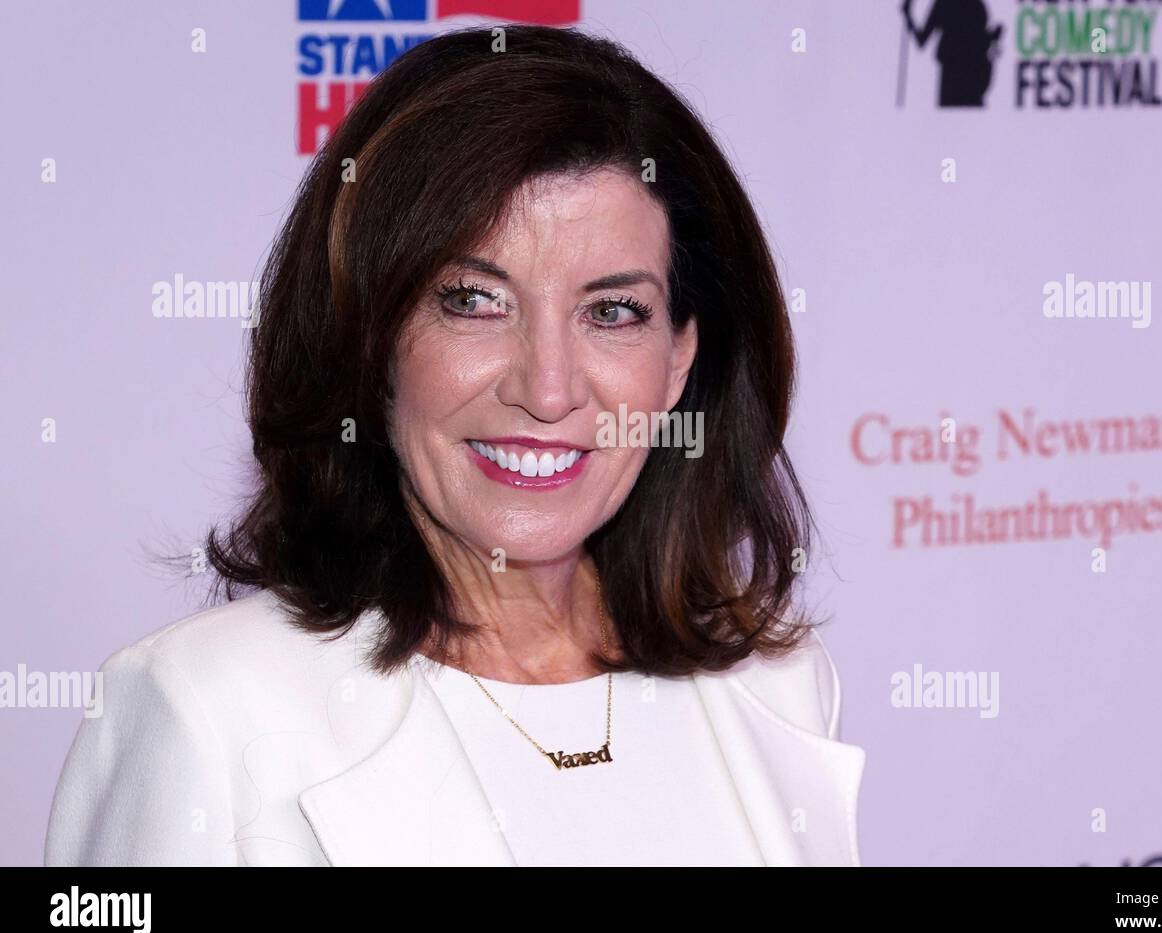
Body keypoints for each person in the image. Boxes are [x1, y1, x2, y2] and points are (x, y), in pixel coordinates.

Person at [44, 24, 865, 867]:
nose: (547, 390)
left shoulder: (778, 684)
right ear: (370, 335)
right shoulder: (205, 710)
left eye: (612, 311)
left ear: (680, 358)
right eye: (474, 301)